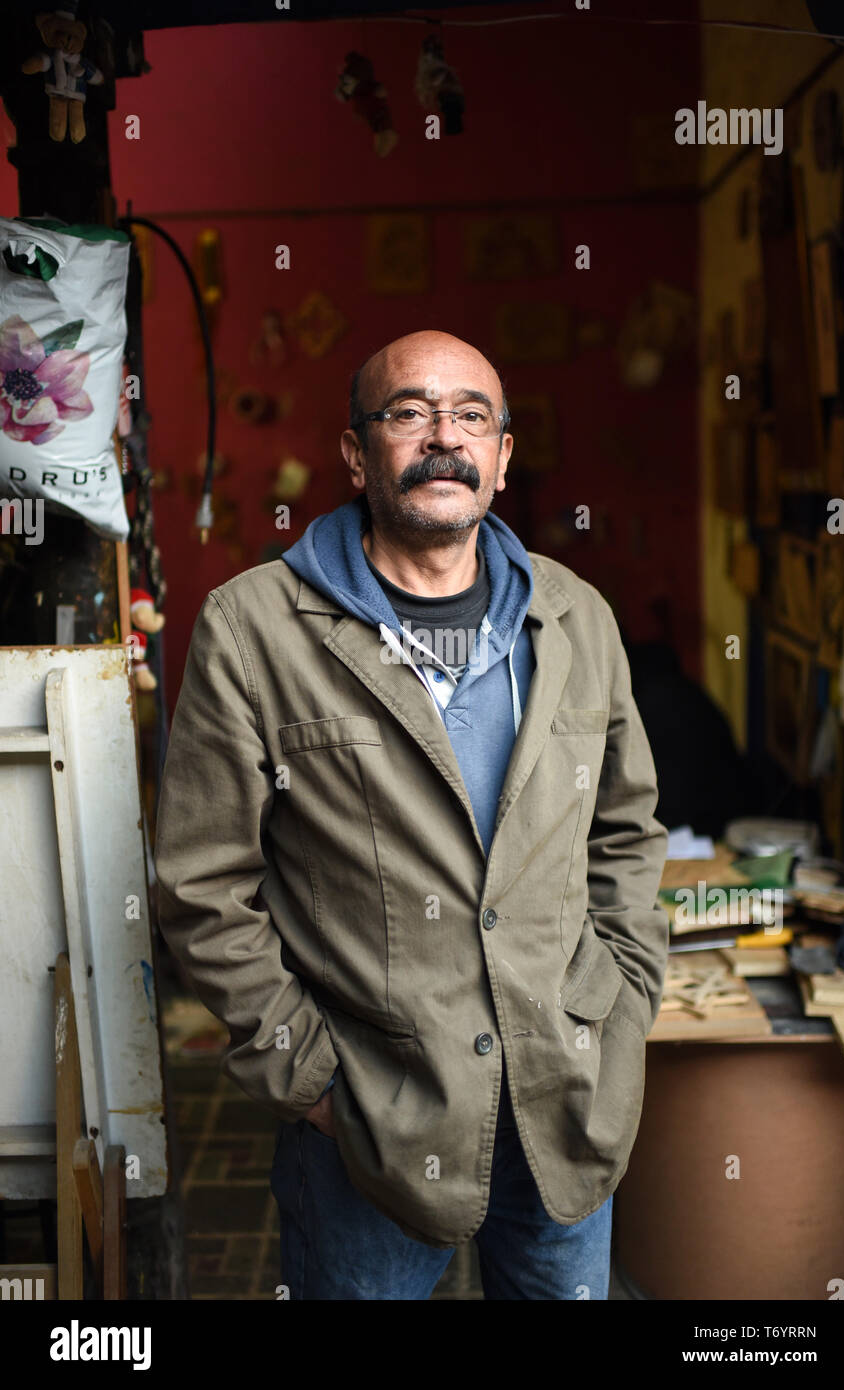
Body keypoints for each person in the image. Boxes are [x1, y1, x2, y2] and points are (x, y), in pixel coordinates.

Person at [154, 329, 670, 1301]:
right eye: (408, 412)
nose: (444, 436)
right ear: (356, 454)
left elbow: (626, 832)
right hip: (371, 1124)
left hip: (564, 1102)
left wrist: (625, 1006)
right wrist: (307, 1080)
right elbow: (199, 884)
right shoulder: (254, 627)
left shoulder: (575, 618)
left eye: (472, 414)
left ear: (505, 456)